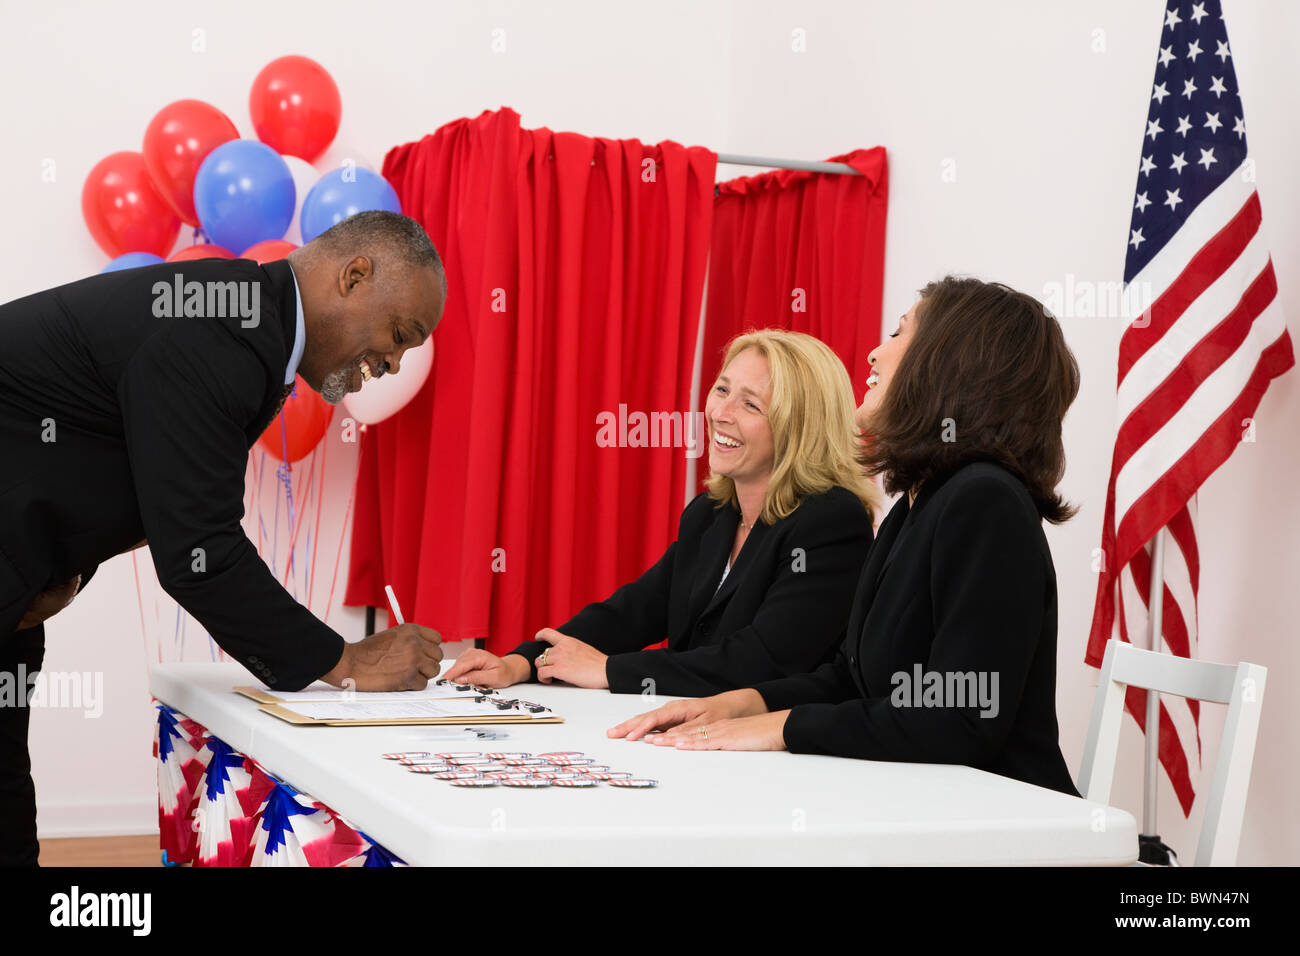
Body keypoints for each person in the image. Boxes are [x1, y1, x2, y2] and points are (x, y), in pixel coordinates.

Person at [0, 210, 447, 865]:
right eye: (399, 334)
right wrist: (348, 662)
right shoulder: (219, 328)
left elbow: (103, 461)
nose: (391, 364)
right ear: (354, 276)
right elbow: (198, 551)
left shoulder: (242, 320)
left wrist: (48, 571)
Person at [610, 276, 1083, 797]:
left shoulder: (984, 501)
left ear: (950, 363)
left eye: (899, 336)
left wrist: (781, 729)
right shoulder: (916, 503)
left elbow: (960, 719)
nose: (875, 354)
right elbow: (851, 680)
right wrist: (743, 703)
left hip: (1005, 816)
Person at [444, 330, 879, 697]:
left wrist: (609, 671)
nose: (720, 414)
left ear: (798, 426)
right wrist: (522, 662)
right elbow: (631, 612)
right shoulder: (712, 514)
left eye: (751, 404)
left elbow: (761, 663)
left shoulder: (831, 522)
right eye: (722, 390)